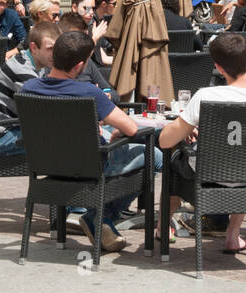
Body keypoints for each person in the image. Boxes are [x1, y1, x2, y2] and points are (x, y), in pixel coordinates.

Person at [22, 30, 162, 253]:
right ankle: (101, 216)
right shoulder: (89, 93)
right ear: (79, 65)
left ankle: (96, 217)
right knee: (154, 156)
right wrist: (118, 133)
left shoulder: (28, 88)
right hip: (90, 168)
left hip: (48, 166)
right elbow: (131, 128)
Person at [157, 33, 246, 253]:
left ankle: (163, 225)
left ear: (218, 67)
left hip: (208, 174)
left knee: (175, 161)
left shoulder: (206, 95)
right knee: (243, 157)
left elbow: (165, 141)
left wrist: (188, 129)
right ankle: (233, 235)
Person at [0, 21, 61, 158]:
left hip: (10, 130)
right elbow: (45, 108)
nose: (55, 54)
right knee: (63, 140)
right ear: (33, 47)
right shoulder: (22, 70)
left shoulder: (36, 64)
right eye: (50, 49)